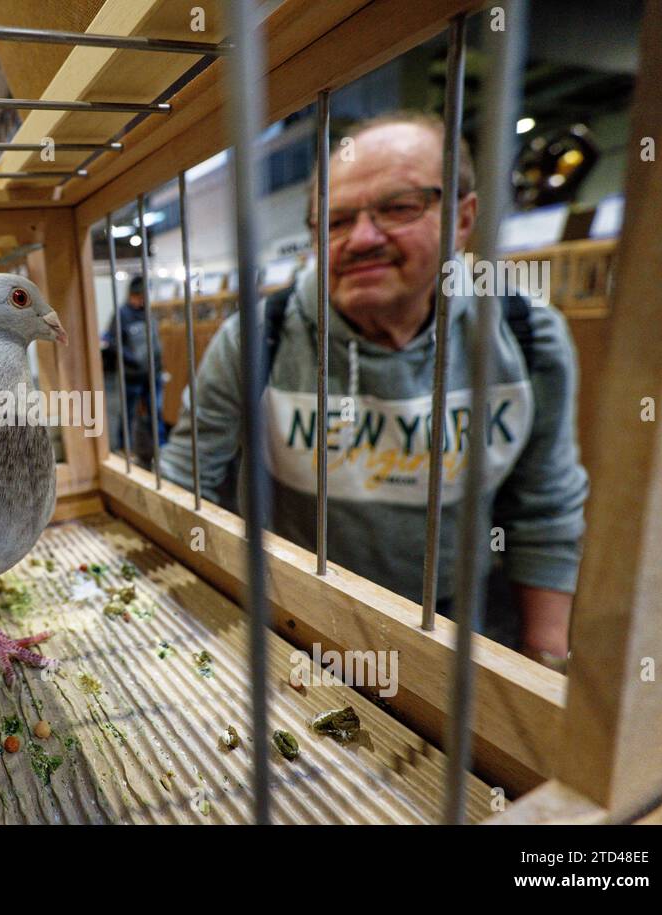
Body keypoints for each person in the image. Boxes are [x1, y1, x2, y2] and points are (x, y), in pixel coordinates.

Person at [160, 111, 588, 664]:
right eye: (335, 220)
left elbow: (546, 511)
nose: (361, 238)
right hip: (295, 616)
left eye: (398, 207)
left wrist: (544, 661)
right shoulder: (255, 338)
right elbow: (184, 476)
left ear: (462, 218)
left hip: (459, 621)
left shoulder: (527, 338)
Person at [101, 275, 168, 464]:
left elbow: (154, 342)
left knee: (156, 411)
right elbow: (112, 343)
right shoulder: (122, 314)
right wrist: (133, 360)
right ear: (133, 294)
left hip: (152, 375)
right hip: (132, 376)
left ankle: (160, 449)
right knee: (128, 413)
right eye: (140, 295)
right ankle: (125, 448)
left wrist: (159, 367)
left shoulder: (148, 314)